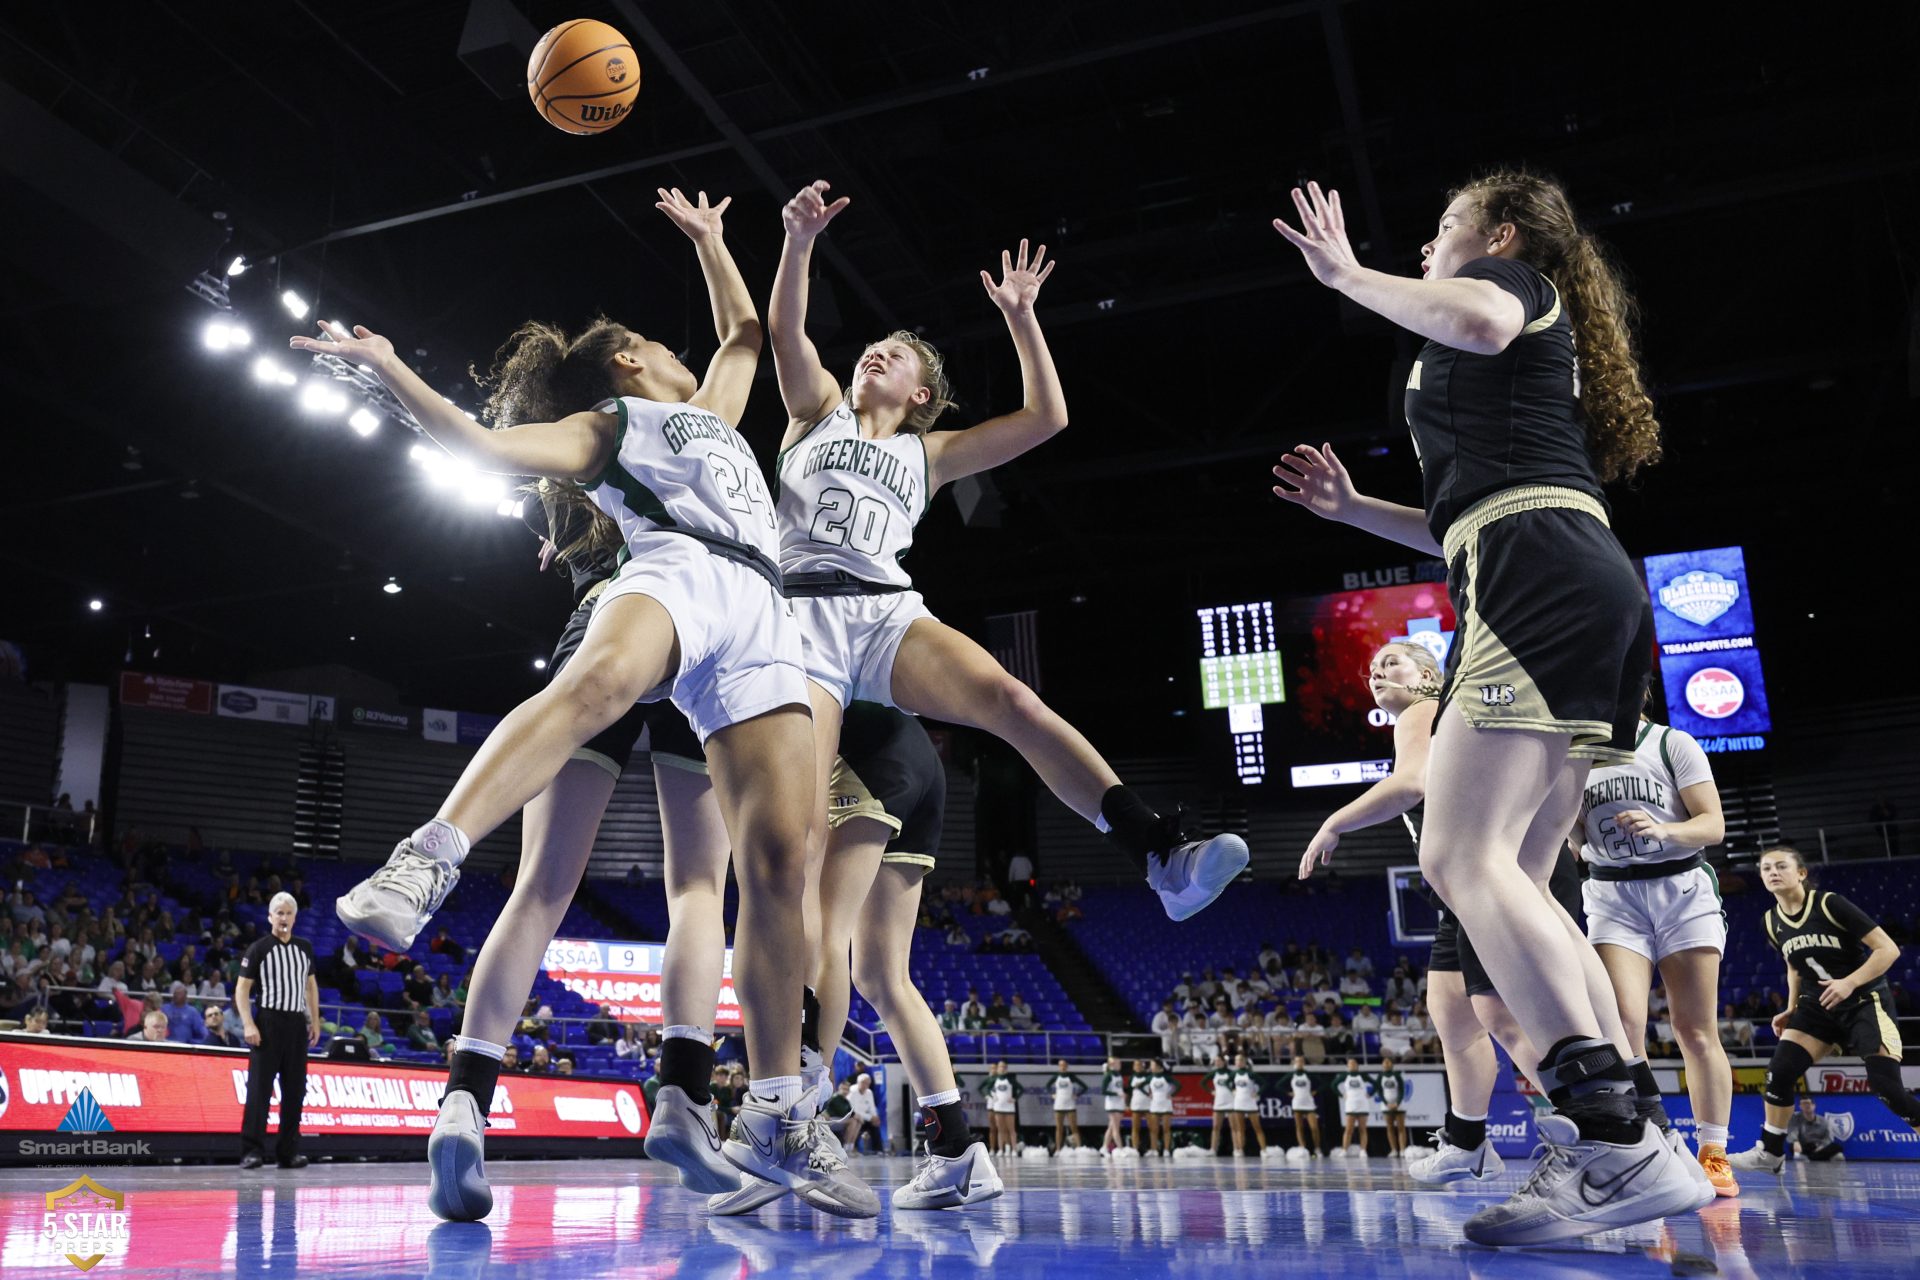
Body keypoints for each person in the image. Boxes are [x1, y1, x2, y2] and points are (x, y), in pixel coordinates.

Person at [305, 190, 873, 1222]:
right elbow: (485, 446)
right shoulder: (614, 425)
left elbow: (746, 331)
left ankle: (754, 1105)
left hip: (756, 615)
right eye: (658, 341)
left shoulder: (710, 418)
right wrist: (391, 371)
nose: (676, 349)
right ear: (626, 363)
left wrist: (716, 242)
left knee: (777, 864)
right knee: (605, 718)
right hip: (670, 586)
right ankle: (428, 857)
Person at [1274, 172, 1712, 1241]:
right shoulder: (1507, 372)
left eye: (1441, 228)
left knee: (1458, 860)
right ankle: (1625, 1132)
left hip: (1534, 577)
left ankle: (1613, 1138)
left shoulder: (1502, 286)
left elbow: (1471, 312)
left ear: (1500, 236)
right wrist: (1353, 508)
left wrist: (1344, 273)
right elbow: (1456, 519)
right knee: (1513, 877)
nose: (1430, 244)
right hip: (1549, 564)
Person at [768, 178, 1247, 931]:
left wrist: (1022, 319)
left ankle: (1158, 855)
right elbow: (785, 333)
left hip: (885, 610)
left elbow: (1046, 417)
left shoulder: (933, 453)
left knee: (1013, 701)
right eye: (869, 350)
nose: (873, 357)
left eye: (890, 357)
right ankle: (790, 1031)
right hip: (798, 617)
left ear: (922, 394)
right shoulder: (817, 411)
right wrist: (798, 244)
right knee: (799, 828)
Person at [710, 700, 1003, 1214]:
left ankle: (794, 1127)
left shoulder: (774, 656)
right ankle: (956, 1149)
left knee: (826, 931)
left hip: (867, 754)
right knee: (883, 975)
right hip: (919, 761)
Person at [1574, 709, 1738, 1195]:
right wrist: (1576, 842)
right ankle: (1654, 1142)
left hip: (1681, 891)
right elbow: (1574, 839)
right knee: (1622, 1026)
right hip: (1612, 897)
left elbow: (1713, 825)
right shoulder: (1574, 756)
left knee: (1694, 1028)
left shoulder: (1671, 743)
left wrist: (1663, 830)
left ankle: (1713, 1149)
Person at [1730, 847, 1920, 1173]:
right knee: (1780, 1071)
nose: (1772, 872)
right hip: (1817, 1005)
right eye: (1765, 868)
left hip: (1863, 1001)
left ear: (1801, 873)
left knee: (1886, 1087)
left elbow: (1888, 950)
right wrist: (1790, 1008)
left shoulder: (1829, 904)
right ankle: (1771, 1151)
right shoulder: (1770, 921)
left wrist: (1848, 982)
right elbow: (1794, 966)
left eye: (1780, 866)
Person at [235, 893, 321, 1170]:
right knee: (260, 1090)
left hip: (296, 1024)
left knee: (295, 1090)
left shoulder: (304, 948)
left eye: (288, 913)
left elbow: (310, 986)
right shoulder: (258, 949)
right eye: (279, 913)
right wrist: (249, 1023)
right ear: (270, 917)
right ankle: (252, 1151)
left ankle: (288, 1152)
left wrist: (315, 1020)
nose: (283, 918)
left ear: (295, 917)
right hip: (268, 1022)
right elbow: (242, 989)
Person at [1785, 1097, 1853, 1162]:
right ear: (1800, 1106)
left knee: (1837, 1148)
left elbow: (1829, 1138)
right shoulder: (1795, 1118)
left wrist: (1821, 1147)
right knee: (1792, 1147)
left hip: (1820, 1147)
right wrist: (1795, 1141)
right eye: (1803, 1104)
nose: (1806, 1106)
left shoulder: (1823, 1121)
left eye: (1808, 1103)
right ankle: (1813, 1157)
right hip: (1804, 1147)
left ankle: (1811, 1158)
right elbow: (1792, 1132)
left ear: (1814, 1105)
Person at [1229, 1054, 1270, 1158]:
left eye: (1241, 1060)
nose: (1239, 1062)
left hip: (1250, 1103)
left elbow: (1264, 1083)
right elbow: (1226, 1082)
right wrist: (1232, 1090)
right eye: (1237, 1060)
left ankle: (1263, 1150)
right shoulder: (1234, 1074)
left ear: (1244, 1062)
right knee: (1240, 1128)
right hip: (1238, 1103)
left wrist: (1258, 1093)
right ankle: (1240, 1149)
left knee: (1257, 1127)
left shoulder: (1250, 1074)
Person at [1334, 1058, 1373, 1159]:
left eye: (1354, 1063)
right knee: (1348, 1129)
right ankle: (1344, 1150)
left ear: (1357, 1065)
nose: (1352, 1065)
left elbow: (1376, 1084)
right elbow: (1333, 1085)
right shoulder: (1345, 1076)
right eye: (1350, 1064)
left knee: (1362, 1129)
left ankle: (1363, 1150)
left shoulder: (1362, 1076)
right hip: (1350, 1105)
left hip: (1362, 1105)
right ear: (1348, 1066)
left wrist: (1370, 1094)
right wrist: (1341, 1095)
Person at [1373, 1057, 1410, 1159]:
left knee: (1401, 1127)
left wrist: (1397, 1103)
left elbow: (1402, 1090)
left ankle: (1402, 1149)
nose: (1386, 1064)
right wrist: (1386, 1103)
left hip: (1398, 1105)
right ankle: (1393, 1149)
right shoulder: (1380, 1077)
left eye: (1388, 1062)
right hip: (1386, 1106)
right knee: (1390, 1128)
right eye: (1384, 1062)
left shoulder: (1397, 1075)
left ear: (1391, 1064)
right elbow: (1379, 1091)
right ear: (1382, 1065)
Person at [981, 1062, 1021, 1157]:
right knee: (1000, 1129)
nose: (1001, 1069)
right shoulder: (994, 1079)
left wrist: (1015, 1098)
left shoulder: (1010, 1079)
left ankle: (1013, 1149)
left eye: (1003, 1067)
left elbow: (1021, 1089)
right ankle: (1000, 1149)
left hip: (1009, 1108)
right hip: (998, 1107)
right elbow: (985, 1089)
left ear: (1006, 1069)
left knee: (1011, 1129)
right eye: (1000, 1067)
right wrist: (989, 1096)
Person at [1048, 1059, 1084, 1154]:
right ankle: (1058, 1149)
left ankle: (1079, 1149)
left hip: (1070, 1105)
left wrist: (1077, 1094)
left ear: (1067, 1066)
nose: (1062, 1067)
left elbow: (1084, 1086)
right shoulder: (1056, 1076)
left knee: (1074, 1128)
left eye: (1064, 1065)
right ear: (1059, 1066)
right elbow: (1047, 1086)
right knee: (1059, 1128)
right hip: (1058, 1105)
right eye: (1060, 1065)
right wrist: (1052, 1094)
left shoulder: (1071, 1076)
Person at [1288, 1058, 1321, 1158]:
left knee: (1314, 1127)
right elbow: (1278, 1085)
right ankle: (1302, 1147)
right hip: (1297, 1103)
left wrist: (1315, 1091)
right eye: (1297, 1062)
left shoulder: (1308, 1074)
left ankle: (1317, 1148)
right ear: (1294, 1063)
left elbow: (1323, 1083)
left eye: (1301, 1062)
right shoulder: (1292, 1075)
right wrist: (1289, 1093)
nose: (1299, 1064)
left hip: (1309, 1104)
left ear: (1304, 1063)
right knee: (1299, 1127)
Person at [1146, 1058, 1175, 1156]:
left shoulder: (1166, 1077)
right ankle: (1154, 1149)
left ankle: (1166, 1149)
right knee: (1154, 1129)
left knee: (1166, 1128)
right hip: (1155, 1105)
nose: (1151, 1067)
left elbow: (1178, 1085)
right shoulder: (1150, 1077)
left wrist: (1171, 1093)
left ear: (1158, 1067)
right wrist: (1148, 1093)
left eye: (1152, 1065)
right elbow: (1140, 1085)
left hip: (1166, 1104)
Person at [1099, 1057, 1128, 1155]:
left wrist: (1123, 1096)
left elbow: (1119, 1088)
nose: (1120, 1065)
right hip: (1112, 1103)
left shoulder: (1119, 1075)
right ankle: (1120, 1148)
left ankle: (1104, 1147)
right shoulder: (1108, 1075)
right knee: (1115, 1127)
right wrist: (1117, 1094)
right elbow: (1103, 1091)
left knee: (1111, 1127)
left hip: (1119, 1103)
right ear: (1111, 1065)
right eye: (1117, 1063)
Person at [1208, 1057, 1236, 1156]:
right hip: (1218, 1103)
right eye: (1216, 1061)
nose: (1217, 1063)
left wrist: (1234, 1090)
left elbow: (1236, 1084)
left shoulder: (1231, 1073)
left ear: (1224, 1062)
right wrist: (1211, 1091)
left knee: (1234, 1127)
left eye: (1219, 1061)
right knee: (1215, 1127)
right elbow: (1202, 1082)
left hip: (1230, 1102)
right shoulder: (1214, 1073)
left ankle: (1237, 1149)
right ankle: (1213, 1149)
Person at [1128, 1059, 1153, 1154]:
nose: (1136, 1067)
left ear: (1143, 1066)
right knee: (1135, 1128)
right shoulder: (1132, 1077)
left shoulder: (1148, 1076)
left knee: (1152, 1128)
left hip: (1147, 1104)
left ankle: (1152, 1148)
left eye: (1139, 1065)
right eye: (1135, 1065)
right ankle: (1135, 1149)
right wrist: (1127, 1103)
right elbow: (1130, 1091)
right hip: (1136, 1104)